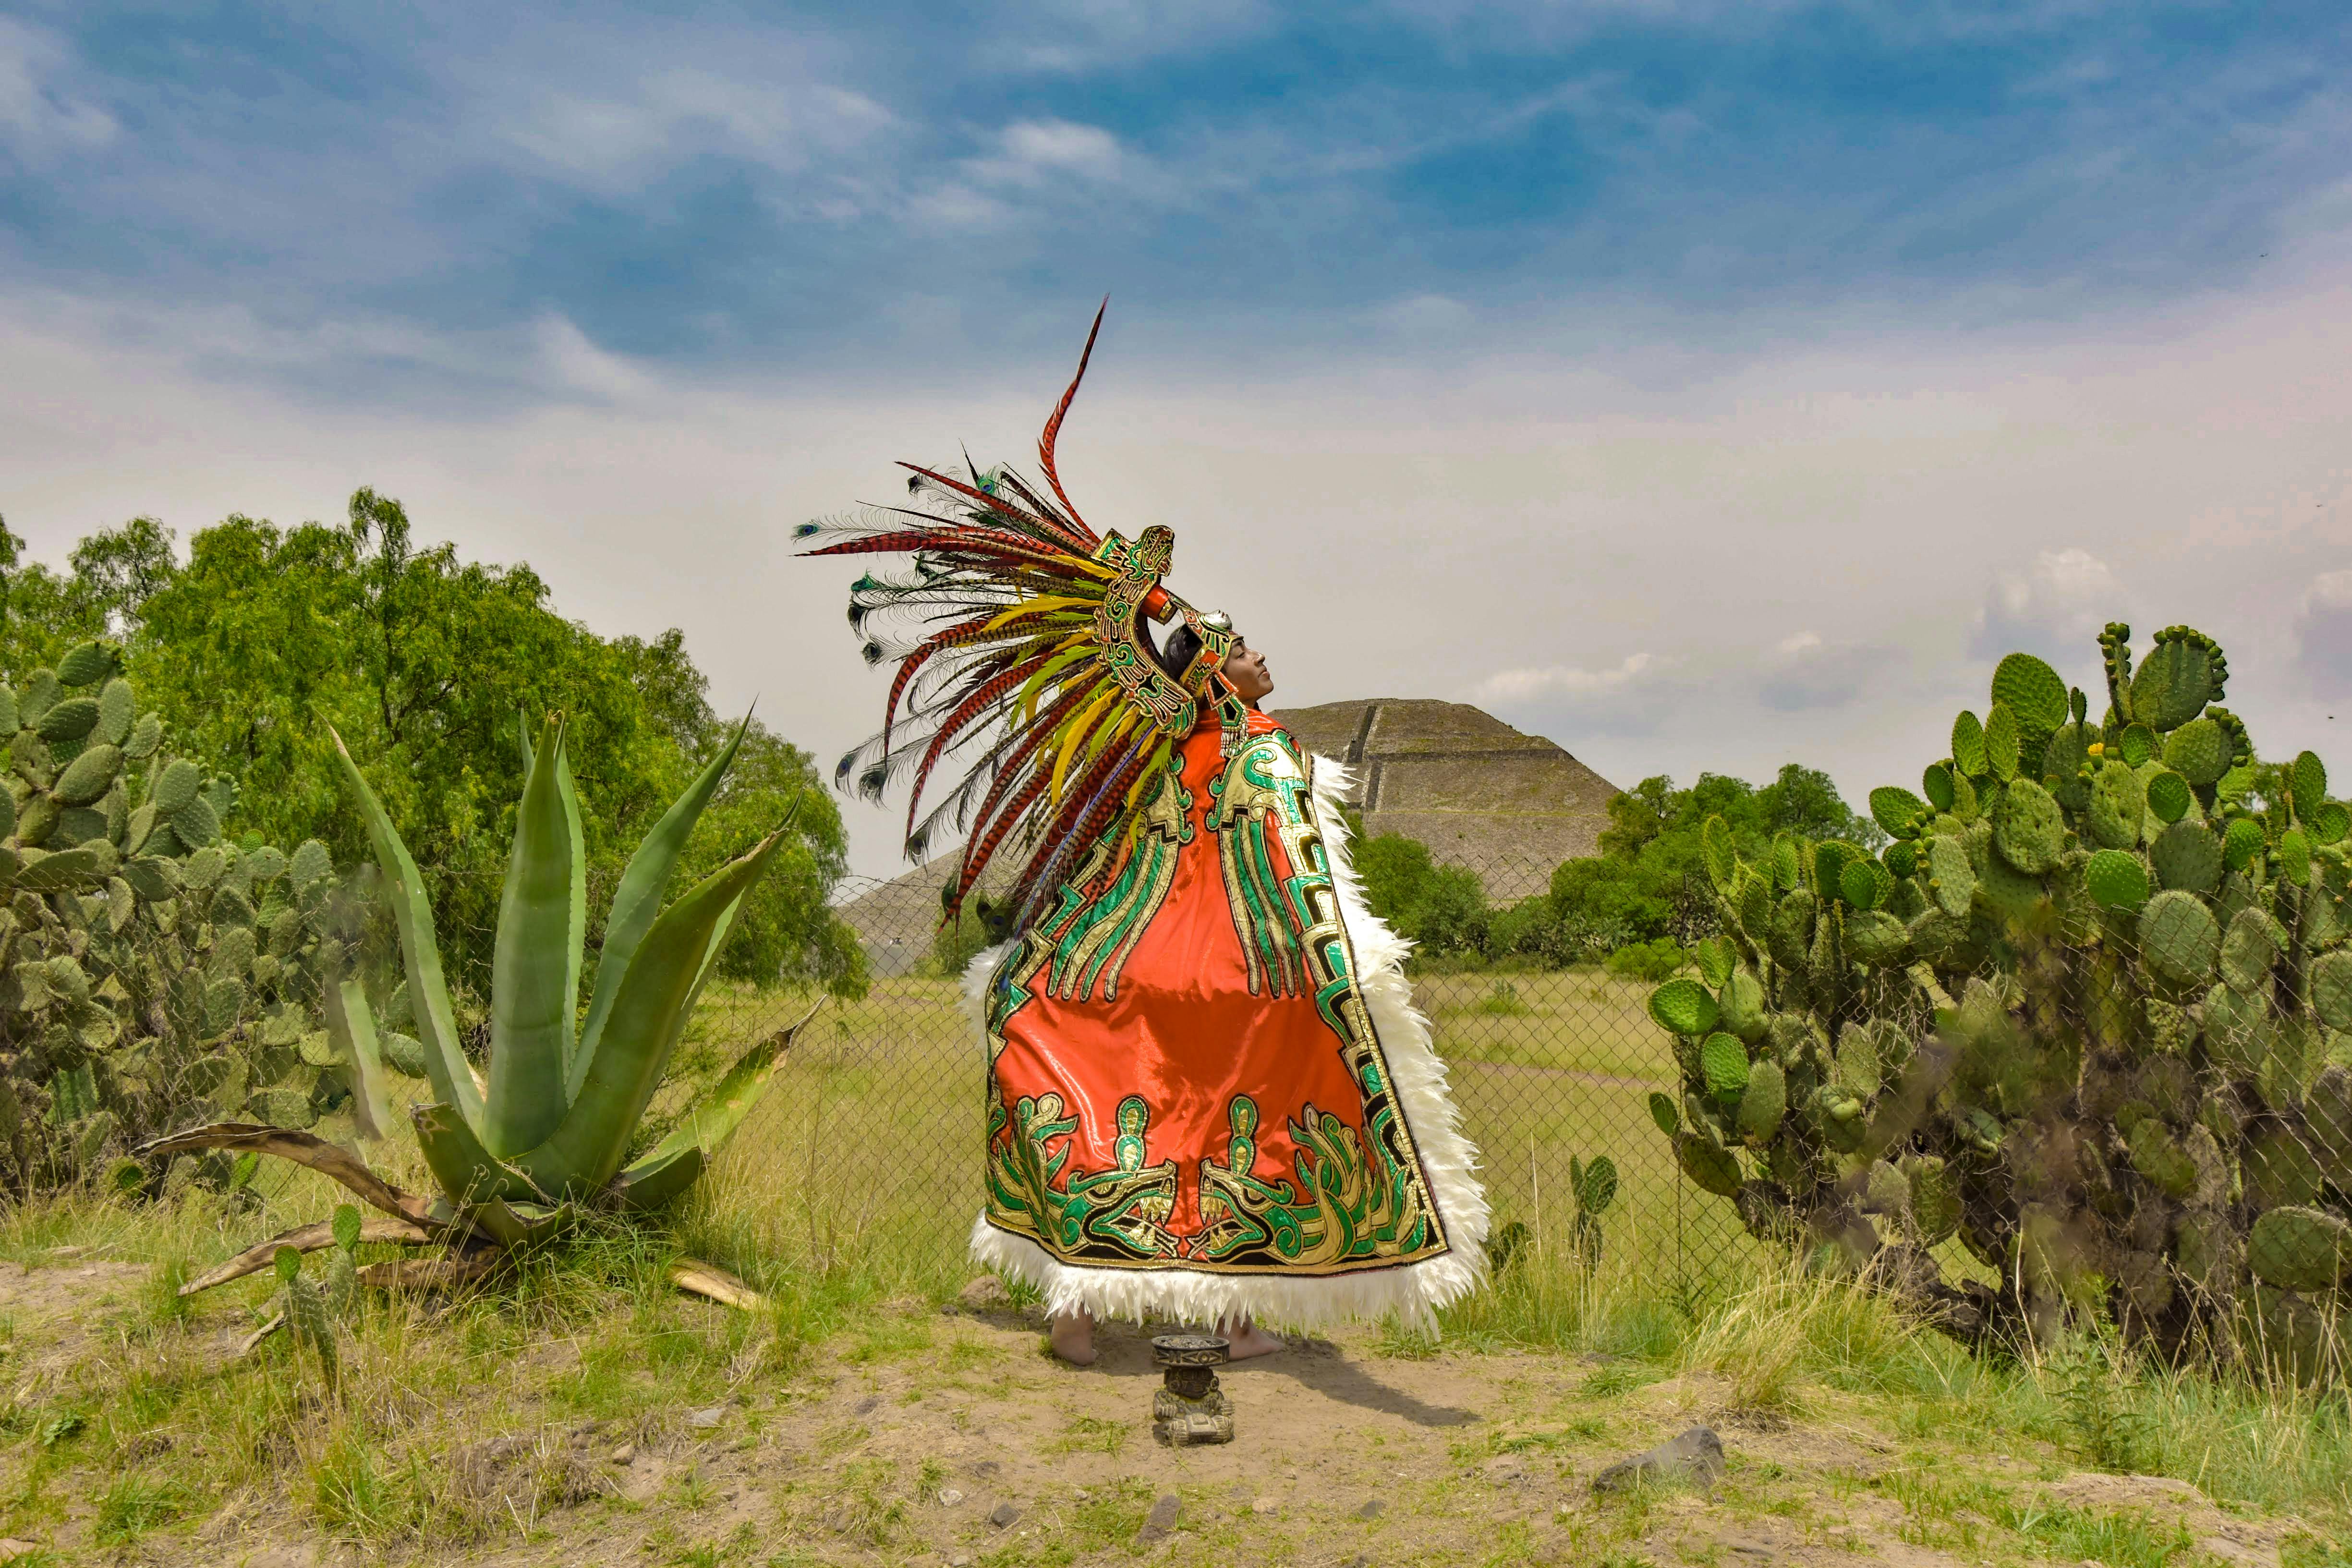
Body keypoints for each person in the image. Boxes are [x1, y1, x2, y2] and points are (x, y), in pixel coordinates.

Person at [803, 305, 1488, 1363]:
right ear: (1207, 671)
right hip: (1173, 952)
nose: (1259, 659)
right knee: (1178, 1095)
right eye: (1238, 652)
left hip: (1190, 950)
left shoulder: (1227, 746)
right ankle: (1085, 1307)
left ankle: (1202, 1309)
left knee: (1225, 1120)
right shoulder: (1204, 747)